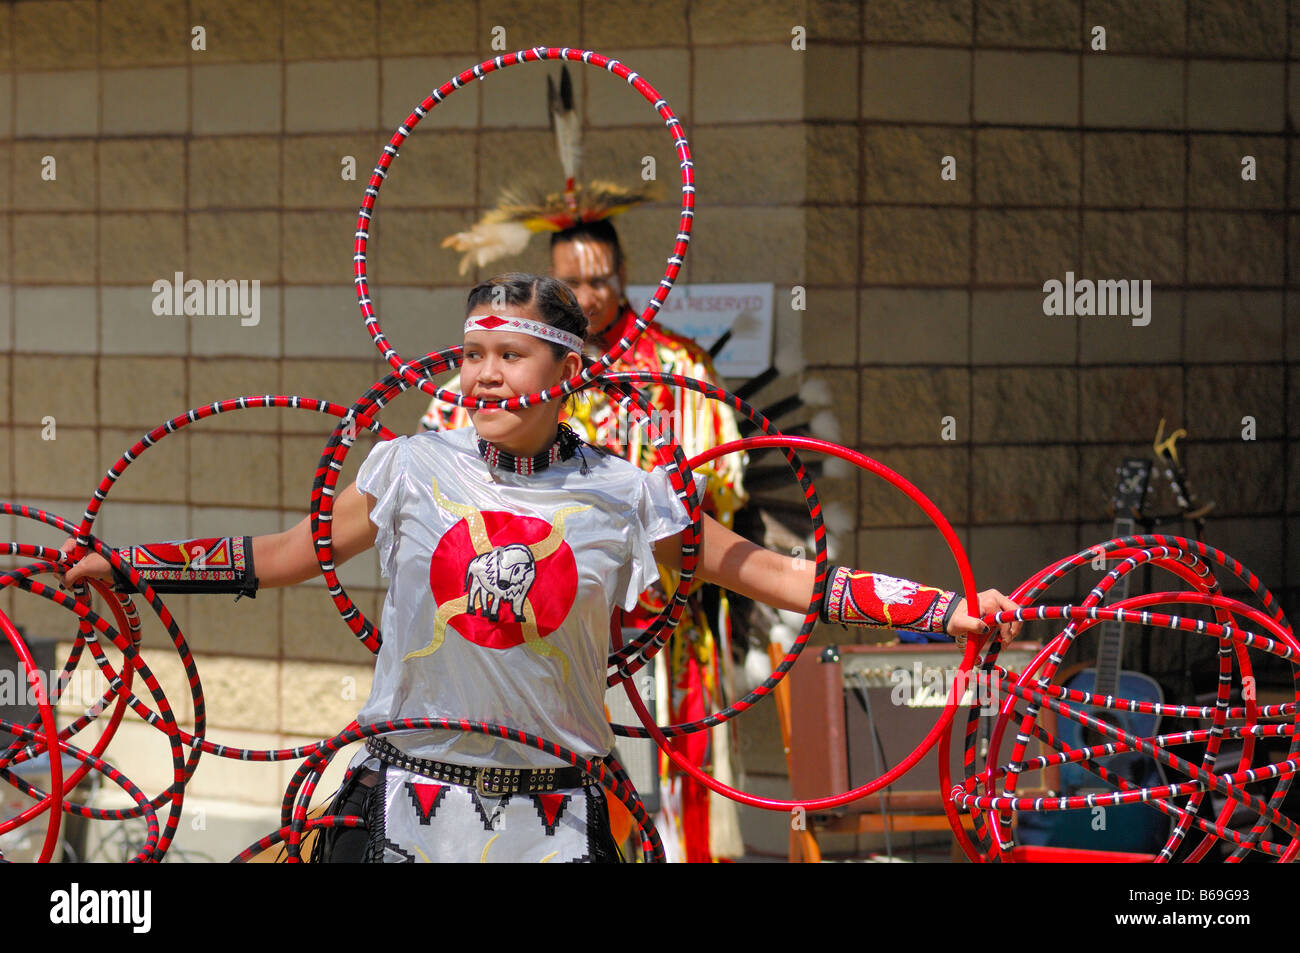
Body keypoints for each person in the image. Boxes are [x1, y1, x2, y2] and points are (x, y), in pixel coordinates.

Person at [62, 274, 1021, 863]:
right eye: (473, 353)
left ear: (565, 372)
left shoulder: (626, 494)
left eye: (509, 356)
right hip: (404, 796)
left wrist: (946, 611)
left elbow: (775, 577)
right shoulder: (407, 467)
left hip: (560, 817)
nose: (482, 374)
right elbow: (281, 556)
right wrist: (129, 567)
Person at [428, 218, 751, 861]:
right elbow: (445, 482)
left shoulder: (678, 366)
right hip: (533, 625)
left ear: (624, 274)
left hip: (660, 627)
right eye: (570, 282)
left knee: (668, 798)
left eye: (599, 280)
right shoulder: (499, 368)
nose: (589, 296)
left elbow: (714, 503)